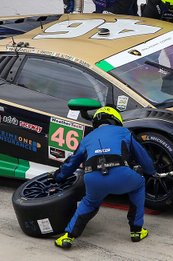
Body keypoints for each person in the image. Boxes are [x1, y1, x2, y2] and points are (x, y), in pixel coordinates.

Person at [53, 106, 156, 249]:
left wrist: (58, 177)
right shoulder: (124, 132)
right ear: (116, 119)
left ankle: (68, 236)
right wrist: (152, 171)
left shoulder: (87, 138)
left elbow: (71, 163)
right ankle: (136, 231)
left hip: (93, 179)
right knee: (139, 184)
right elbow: (143, 157)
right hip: (122, 175)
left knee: (88, 203)